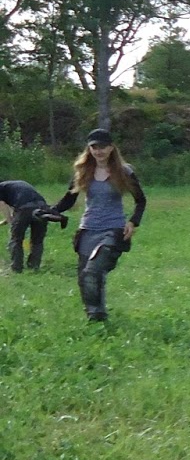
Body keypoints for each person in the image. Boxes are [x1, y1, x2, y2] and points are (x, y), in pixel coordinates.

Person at [52, 128, 146, 322]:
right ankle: (96, 316)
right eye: (94, 147)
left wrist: (133, 222)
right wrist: (50, 210)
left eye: (103, 146)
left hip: (113, 229)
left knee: (93, 270)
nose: (98, 151)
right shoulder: (83, 171)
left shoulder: (124, 172)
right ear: (89, 149)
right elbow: (68, 200)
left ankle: (97, 315)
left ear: (111, 148)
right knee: (85, 278)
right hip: (88, 229)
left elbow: (141, 200)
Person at [1, 180, 66, 273]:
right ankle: (34, 266)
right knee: (37, 240)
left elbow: (2, 205)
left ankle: (17, 268)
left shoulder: (1, 188)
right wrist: (8, 219)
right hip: (42, 206)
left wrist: (9, 221)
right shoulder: (13, 186)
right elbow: (15, 205)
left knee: (16, 239)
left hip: (24, 208)